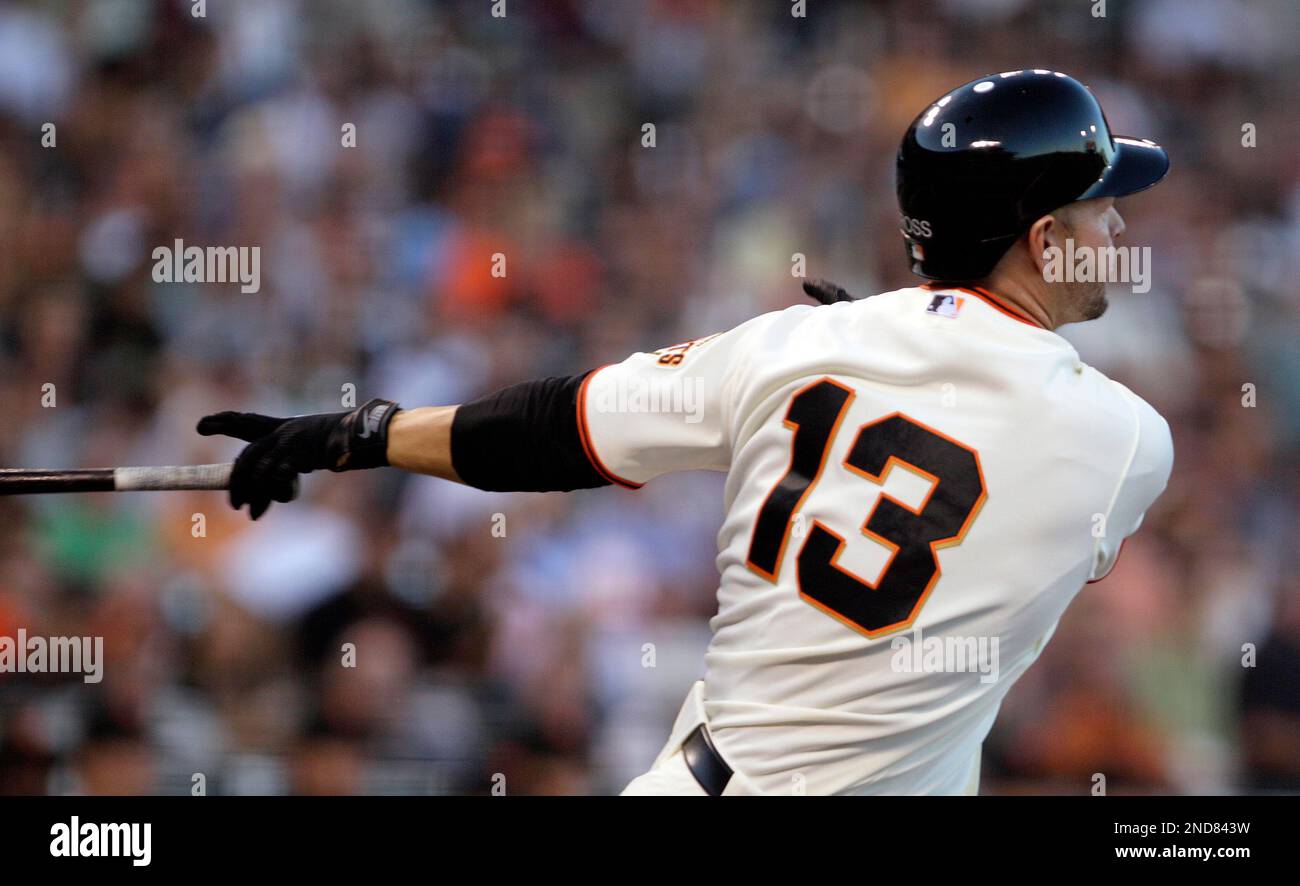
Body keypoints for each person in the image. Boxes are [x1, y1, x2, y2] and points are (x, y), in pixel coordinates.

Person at [198, 71, 1173, 795]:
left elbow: (551, 430)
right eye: (1099, 209)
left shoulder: (793, 346)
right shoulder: (1126, 441)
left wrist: (361, 434)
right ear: (1042, 241)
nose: (1118, 229)